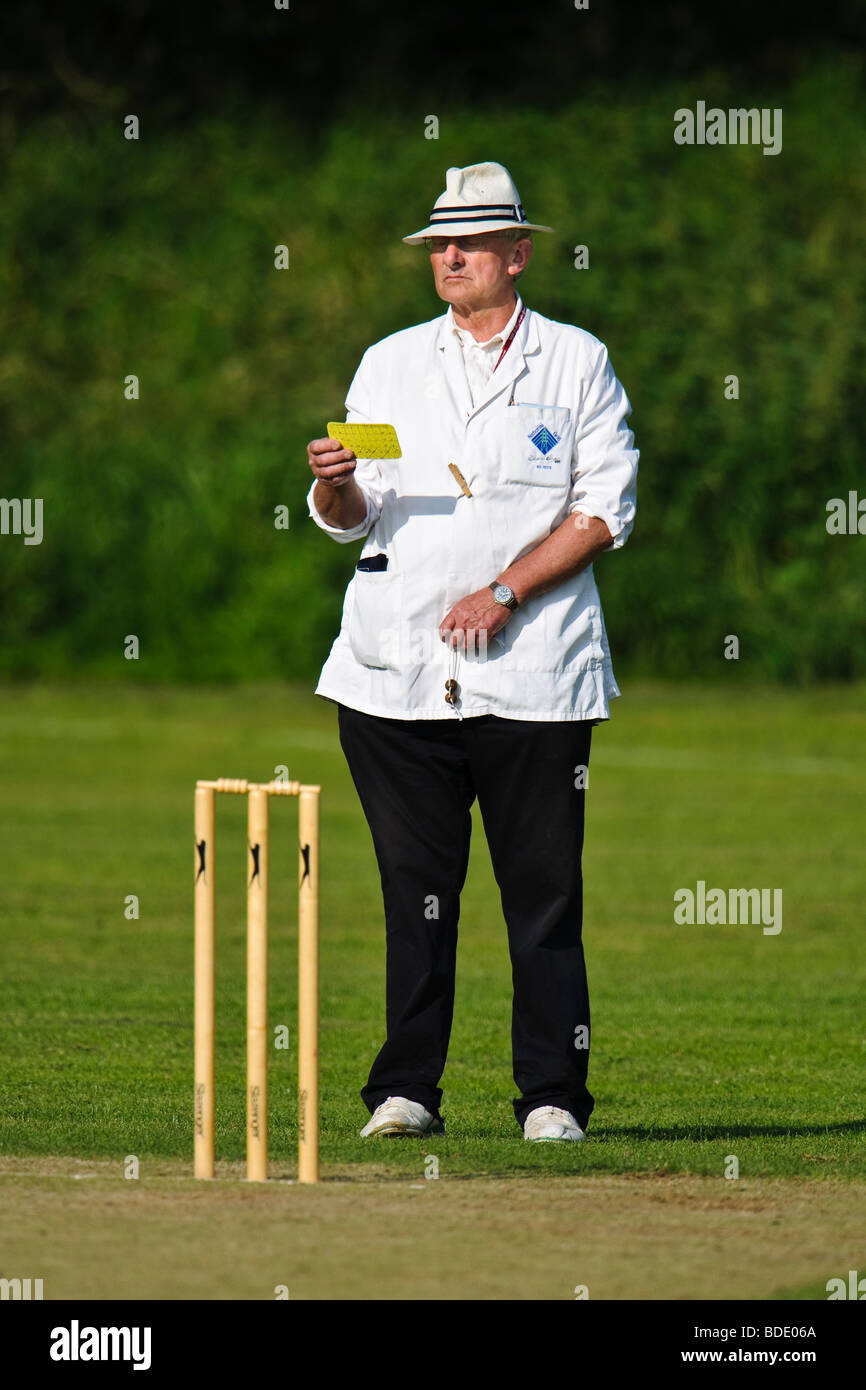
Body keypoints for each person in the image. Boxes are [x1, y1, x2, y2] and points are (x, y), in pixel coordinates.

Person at [305, 162, 638, 1142]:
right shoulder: (388, 361)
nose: (447, 257)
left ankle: (550, 1097)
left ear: (516, 254)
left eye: (469, 243)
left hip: (535, 675)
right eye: (437, 244)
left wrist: (502, 590)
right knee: (415, 894)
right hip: (392, 674)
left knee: (540, 896)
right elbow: (350, 512)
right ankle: (406, 1091)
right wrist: (328, 483)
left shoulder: (575, 360)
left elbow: (602, 511)